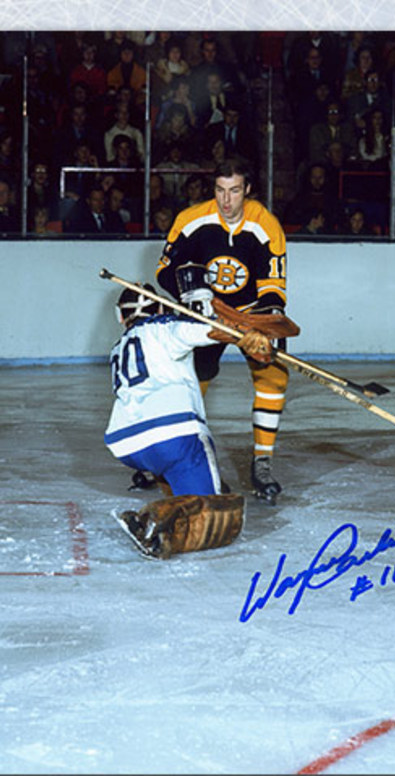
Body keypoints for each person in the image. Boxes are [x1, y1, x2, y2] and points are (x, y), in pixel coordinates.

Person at [155, 157, 291, 504]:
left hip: (251, 313)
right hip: (209, 313)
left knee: (273, 376)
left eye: (233, 191)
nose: (226, 200)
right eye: (219, 190)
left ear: (247, 190)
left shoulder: (266, 224)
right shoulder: (191, 220)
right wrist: (191, 292)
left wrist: (267, 324)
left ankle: (262, 462)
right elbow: (164, 269)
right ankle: (173, 456)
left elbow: (273, 286)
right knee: (191, 380)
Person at [106, 284, 258, 558]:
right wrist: (243, 335)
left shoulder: (119, 348)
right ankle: (154, 522)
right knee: (219, 514)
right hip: (175, 436)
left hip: (128, 443)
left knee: (197, 481)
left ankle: (176, 491)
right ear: (163, 308)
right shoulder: (163, 326)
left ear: (120, 317)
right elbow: (204, 331)